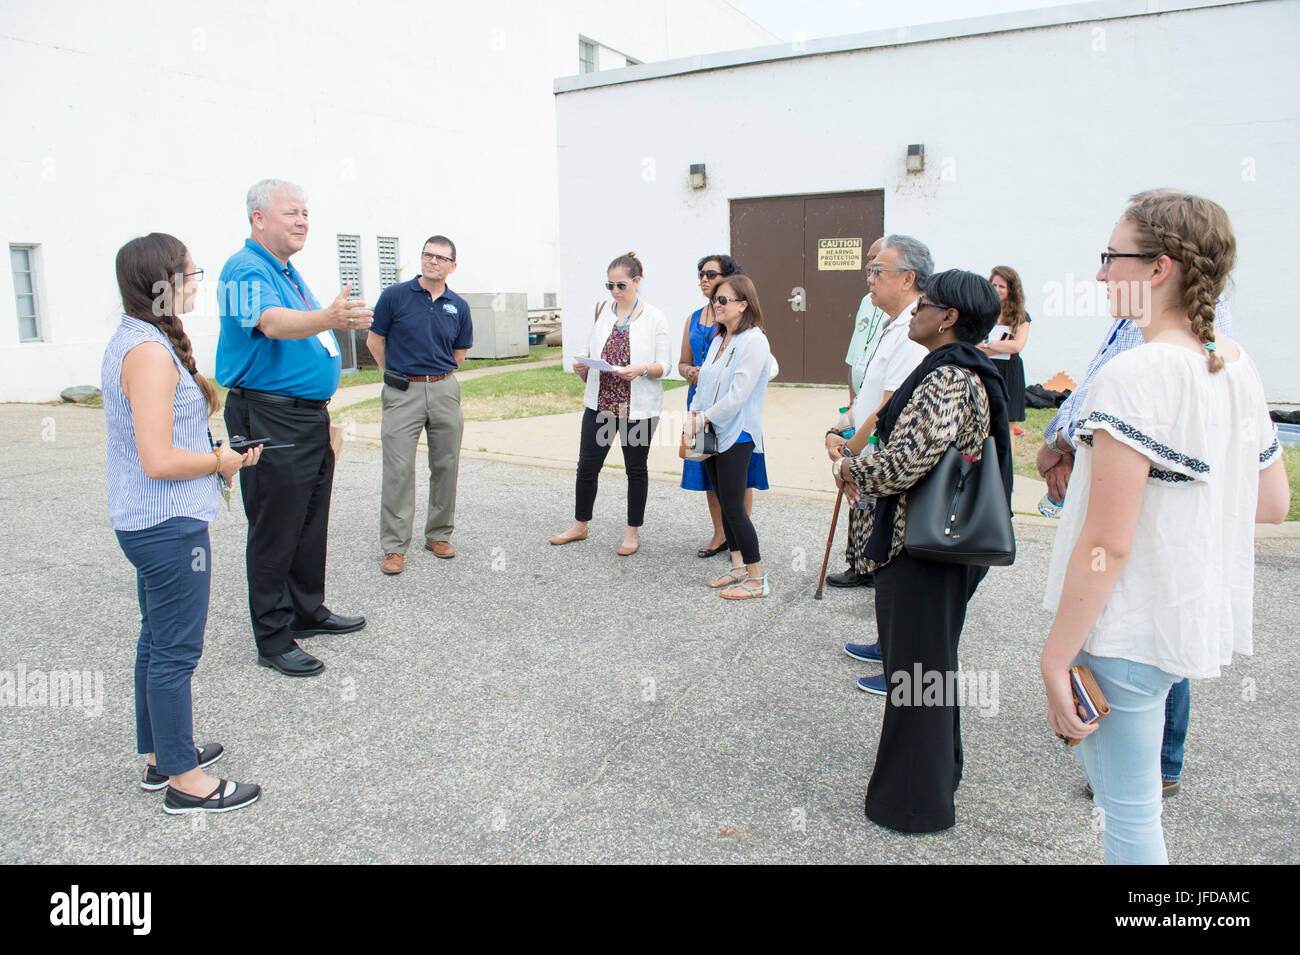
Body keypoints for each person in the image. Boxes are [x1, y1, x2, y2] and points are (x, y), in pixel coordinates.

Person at [1041, 191, 1288, 864]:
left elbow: (1106, 542)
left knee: (1129, 818)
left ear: (1159, 268)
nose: (1099, 275)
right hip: (1178, 615)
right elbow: (1272, 502)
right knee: (1135, 807)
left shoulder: (1134, 375)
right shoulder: (1234, 362)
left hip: (1124, 623)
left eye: (1111, 257)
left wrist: (1055, 653)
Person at [835, 269, 1012, 833]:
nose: (914, 312)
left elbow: (907, 459)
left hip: (926, 549)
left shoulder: (949, 378)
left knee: (915, 674)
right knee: (929, 668)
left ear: (949, 318)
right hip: (941, 548)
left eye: (924, 306)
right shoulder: (957, 371)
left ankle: (914, 804)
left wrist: (850, 466)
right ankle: (935, 778)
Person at [105, 233, 263, 814]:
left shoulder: (141, 338)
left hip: (151, 520)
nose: (198, 282)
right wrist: (221, 461)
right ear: (165, 284)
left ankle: (160, 756)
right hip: (166, 524)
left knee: (156, 640)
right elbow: (158, 459)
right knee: (175, 651)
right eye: (191, 273)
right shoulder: (147, 353)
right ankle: (185, 782)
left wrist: (217, 458)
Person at [216, 179, 372, 678]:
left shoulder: (285, 270)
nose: (303, 220)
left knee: (308, 519)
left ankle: (306, 610)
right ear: (259, 218)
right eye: (291, 213)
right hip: (268, 415)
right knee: (275, 525)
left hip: (305, 415)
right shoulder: (245, 269)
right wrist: (327, 315)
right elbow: (271, 324)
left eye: (306, 212)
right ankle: (273, 637)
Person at [825, 235, 930, 595]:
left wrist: (848, 453)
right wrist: (837, 429)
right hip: (864, 443)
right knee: (867, 522)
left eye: (877, 271)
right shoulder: (892, 323)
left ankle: (889, 627)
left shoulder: (913, 331)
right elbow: (869, 393)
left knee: (888, 542)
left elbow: (888, 407)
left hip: (886, 454)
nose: (869, 278)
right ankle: (865, 569)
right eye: (869, 270)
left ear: (907, 278)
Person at [550, 252, 670, 555]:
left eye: (621, 285)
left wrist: (640, 369)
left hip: (637, 410)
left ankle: (632, 532)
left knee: (635, 470)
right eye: (610, 285)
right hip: (600, 405)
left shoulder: (655, 316)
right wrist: (582, 367)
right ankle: (580, 524)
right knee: (587, 467)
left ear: (637, 282)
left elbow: (664, 367)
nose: (615, 291)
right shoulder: (602, 310)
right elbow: (587, 349)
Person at [366, 235, 473, 575]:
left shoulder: (459, 305)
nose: (433, 261)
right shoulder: (394, 296)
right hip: (403, 392)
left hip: (443, 390)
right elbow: (374, 340)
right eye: (428, 255)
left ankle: (438, 534)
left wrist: (435, 377)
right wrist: (393, 375)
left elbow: (459, 353)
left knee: (446, 465)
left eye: (441, 258)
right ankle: (395, 547)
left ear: (452, 266)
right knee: (398, 470)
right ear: (422, 259)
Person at [685, 275, 775, 599]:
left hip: (738, 433)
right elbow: (704, 385)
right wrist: (693, 416)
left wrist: (703, 418)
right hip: (710, 431)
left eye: (723, 300)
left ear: (743, 304)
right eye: (714, 300)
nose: (716, 305)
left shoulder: (754, 341)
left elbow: (738, 396)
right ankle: (737, 567)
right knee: (725, 504)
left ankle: (757, 578)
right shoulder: (720, 338)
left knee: (735, 508)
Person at [979, 265, 1031, 451]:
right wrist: (996, 346)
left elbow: (1016, 346)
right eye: (994, 285)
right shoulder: (983, 312)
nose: (997, 290)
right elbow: (976, 346)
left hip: (1009, 372)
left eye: (1002, 286)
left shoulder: (1021, 316)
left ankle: (1006, 470)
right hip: (986, 368)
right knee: (983, 421)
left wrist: (988, 344)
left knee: (1007, 424)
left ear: (1011, 289)